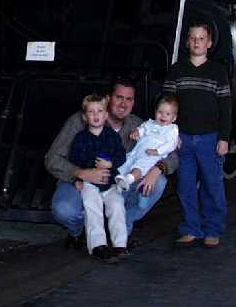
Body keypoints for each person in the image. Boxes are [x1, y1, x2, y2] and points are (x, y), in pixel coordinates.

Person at [45, 78, 177, 251]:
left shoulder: (139, 125)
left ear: (133, 103)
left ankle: (122, 228)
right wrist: (80, 173)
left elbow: (173, 154)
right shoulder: (80, 120)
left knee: (158, 183)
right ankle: (77, 233)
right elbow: (52, 158)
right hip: (81, 182)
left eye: (128, 99)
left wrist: (158, 168)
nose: (123, 104)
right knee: (65, 209)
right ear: (108, 99)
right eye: (119, 97)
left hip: (117, 184)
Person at [163, 23, 231, 248]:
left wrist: (224, 138)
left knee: (213, 185)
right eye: (192, 38)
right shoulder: (176, 70)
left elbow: (226, 107)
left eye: (201, 38)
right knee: (185, 186)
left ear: (209, 44)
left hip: (210, 139)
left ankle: (213, 229)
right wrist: (170, 135)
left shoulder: (218, 72)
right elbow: (167, 106)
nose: (196, 42)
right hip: (183, 138)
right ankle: (191, 228)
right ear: (187, 42)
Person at [67, 94, 127, 260]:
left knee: (117, 206)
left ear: (106, 115)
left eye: (99, 111)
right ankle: (97, 245)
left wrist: (111, 164)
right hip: (90, 183)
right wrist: (78, 179)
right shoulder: (80, 138)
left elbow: (121, 155)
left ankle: (120, 245)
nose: (95, 115)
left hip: (109, 181)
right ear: (85, 117)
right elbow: (75, 160)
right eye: (91, 112)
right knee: (92, 207)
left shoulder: (112, 136)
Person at [115, 95, 179, 192]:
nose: (163, 116)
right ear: (155, 112)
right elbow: (142, 129)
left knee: (139, 168)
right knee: (125, 164)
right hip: (137, 151)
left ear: (174, 118)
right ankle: (118, 183)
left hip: (150, 156)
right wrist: (136, 132)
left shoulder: (171, 130)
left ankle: (128, 180)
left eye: (167, 114)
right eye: (160, 112)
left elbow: (171, 145)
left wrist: (157, 151)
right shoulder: (150, 123)